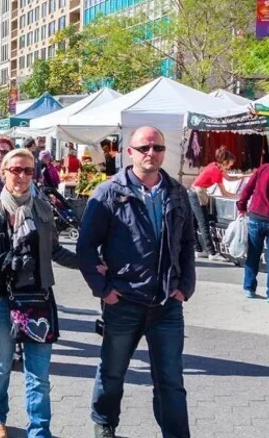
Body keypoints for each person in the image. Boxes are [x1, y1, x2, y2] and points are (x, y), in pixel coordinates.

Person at [77, 126, 195, 438]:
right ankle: (104, 423)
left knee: (170, 379)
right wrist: (104, 291)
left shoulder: (176, 192)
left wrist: (185, 287)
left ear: (163, 152)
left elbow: (186, 244)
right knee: (112, 373)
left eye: (156, 148)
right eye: (144, 148)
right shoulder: (109, 193)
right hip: (124, 302)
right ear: (130, 152)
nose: (151, 154)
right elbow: (86, 247)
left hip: (167, 304)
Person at [0, 148, 80, 438]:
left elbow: (54, 250)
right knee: (1, 365)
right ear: (2, 172)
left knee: (39, 373)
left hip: (37, 300)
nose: (21, 175)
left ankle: (40, 429)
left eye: (28, 170)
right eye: (15, 169)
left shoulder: (43, 210)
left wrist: (89, 262)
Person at [188, 146, 237, 261]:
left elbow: (229, 178)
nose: (231, 166)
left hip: (193, 192)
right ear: (225, 162)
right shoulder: (216, 171)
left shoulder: (214, 165)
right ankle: (212, 252)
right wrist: (238, 196)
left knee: (194, 223)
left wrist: (247, 176)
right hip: (198, 194)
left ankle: (197, 249)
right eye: (230, 164)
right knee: (203, 223)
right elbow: (225, 193)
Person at [236, 160, 269, 299]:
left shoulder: (263, 168)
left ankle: (249, 288)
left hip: (256, 216)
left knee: (253, 254)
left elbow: (248, 188)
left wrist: (242, 206)